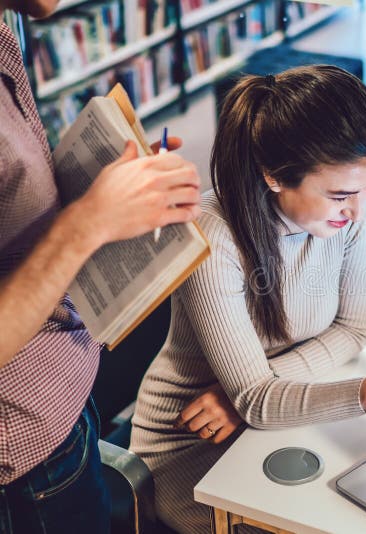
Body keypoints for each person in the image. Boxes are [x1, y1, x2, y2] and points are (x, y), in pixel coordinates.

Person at [130, 66, 366, 533]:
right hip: (193, 448)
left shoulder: (356, 202)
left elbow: (352, 329)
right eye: (341, 193)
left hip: (256, 414)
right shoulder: (212, 236)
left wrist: (247, 392)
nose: (361, 208)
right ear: (274, 176)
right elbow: (258, 401)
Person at [0, 0, 202, 531]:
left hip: (62, 413)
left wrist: (110, 192)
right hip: (22, 473)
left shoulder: (6, 30)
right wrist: (90, 219)